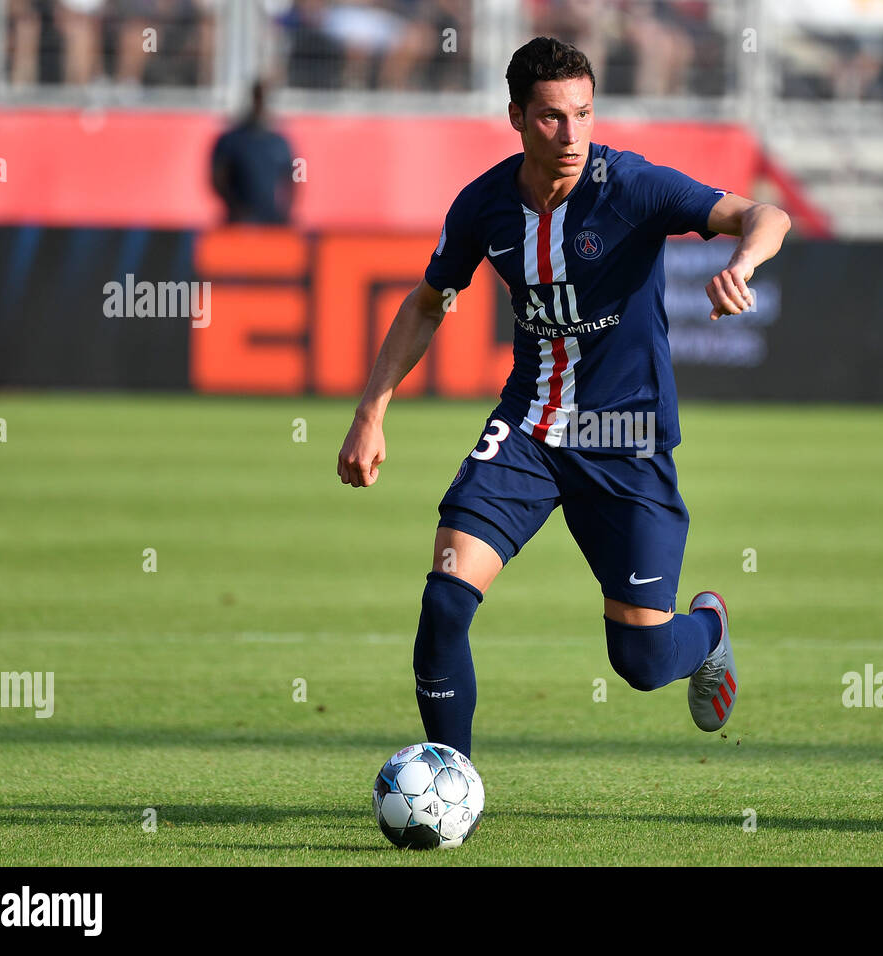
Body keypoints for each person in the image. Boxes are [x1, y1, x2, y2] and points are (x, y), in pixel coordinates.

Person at [336, 36, 791, 759]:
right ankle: (455, 782)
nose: (573, 133)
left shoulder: (632, 185)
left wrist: (742, 261)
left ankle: (708, 629)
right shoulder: (484, 206)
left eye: (583, 113)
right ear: (517, 116)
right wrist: (371, 412)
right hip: (529, 429)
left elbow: (766, 214)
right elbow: (428, 303)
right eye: (552, 117)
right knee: (444, 600)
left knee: (640, 663)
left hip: (627, 440)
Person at [209, 81, 294, 224]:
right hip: (239, 224)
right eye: (257, 98)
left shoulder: (281, 142)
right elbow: (217, 177)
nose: (260, 104)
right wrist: (235, 207)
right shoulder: (231, 140)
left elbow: (298, 170)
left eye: (264, 99)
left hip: (272, 222)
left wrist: (287, 209)